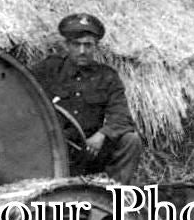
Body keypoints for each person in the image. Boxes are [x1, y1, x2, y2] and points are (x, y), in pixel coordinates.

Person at [29, 13, 142, 184]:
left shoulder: (107, 77)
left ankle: (113, 195)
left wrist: (101, 135)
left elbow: (122, 117)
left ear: (95, 46)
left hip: (90, 153)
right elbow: (23, 97)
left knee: (131, 140)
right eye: (77, 44)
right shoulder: (48, 69)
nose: (82, 51)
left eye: (88, 45)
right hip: (54, 151)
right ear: (67, 45)